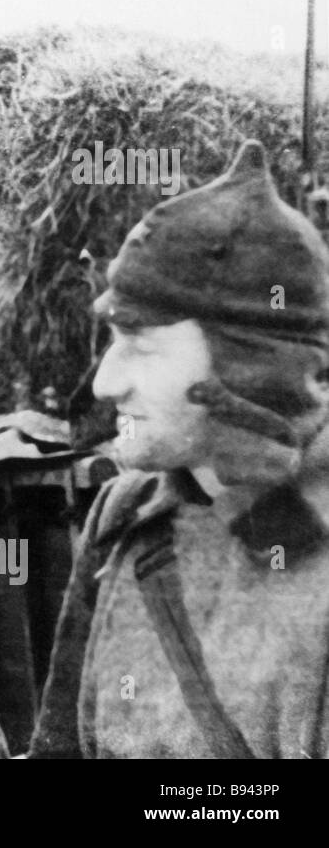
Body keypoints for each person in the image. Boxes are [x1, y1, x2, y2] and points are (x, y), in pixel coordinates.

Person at [31, 141, 329, 759]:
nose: (107, 384)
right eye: (113, 341)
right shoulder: (127, 514)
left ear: (245, 362)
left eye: (142, 345)